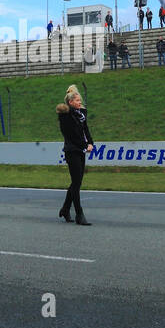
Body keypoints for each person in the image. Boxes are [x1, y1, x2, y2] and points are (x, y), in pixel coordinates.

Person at [55, 84, 94, 225]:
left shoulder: (80, 115)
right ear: (70, 102)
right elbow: (72, 135)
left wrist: (90, 143)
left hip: (81, 150)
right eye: (77, 101)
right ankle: (79, 214)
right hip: (72, 151)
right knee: (76, 184)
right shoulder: (66, 116)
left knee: (76, 182)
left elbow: (85, 130)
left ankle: (65, 209)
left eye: (80, 100)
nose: (80, 103)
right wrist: (85, 145)